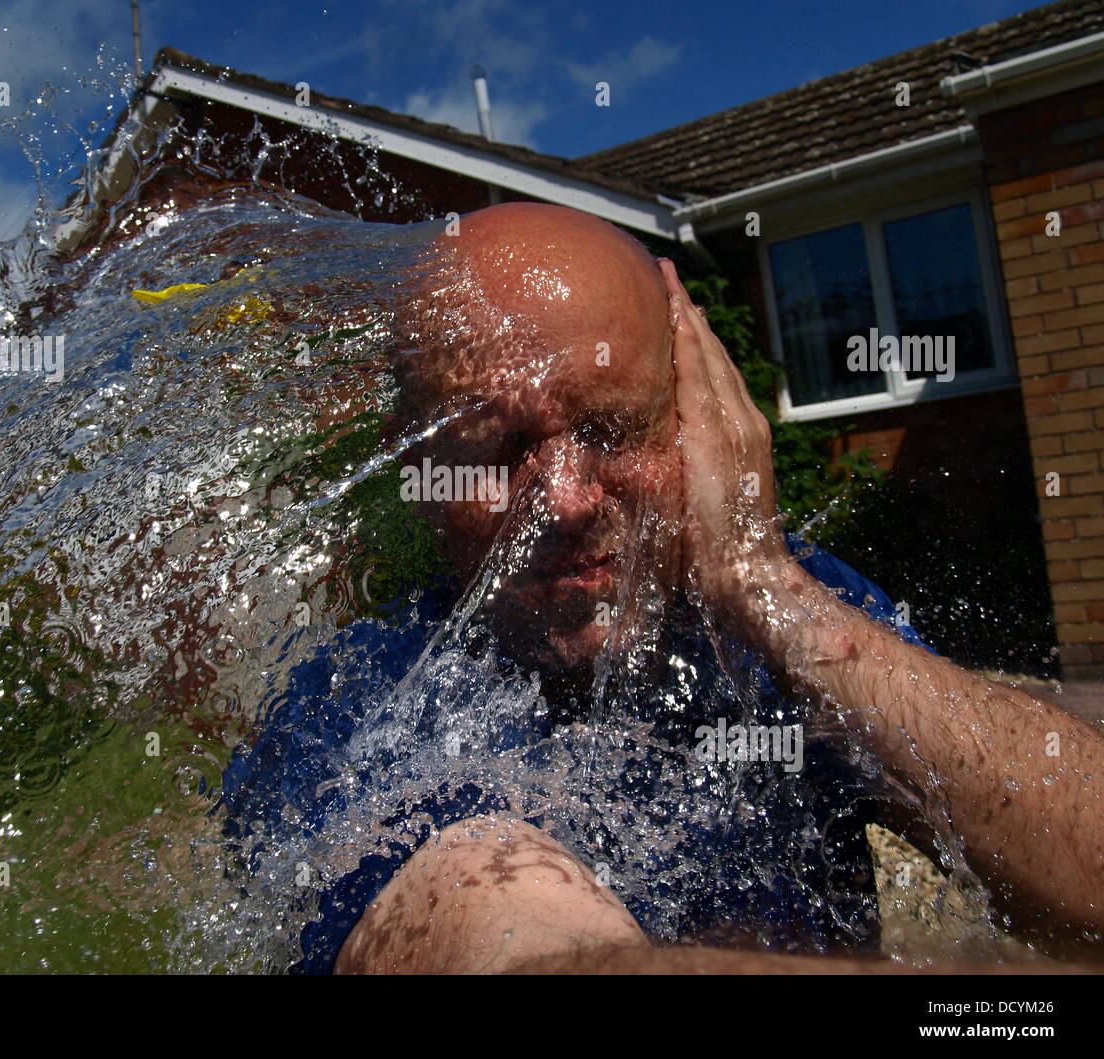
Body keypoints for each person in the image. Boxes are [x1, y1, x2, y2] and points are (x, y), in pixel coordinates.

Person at [223, 202, 1103, 974]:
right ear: (419, 466)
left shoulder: (772, 614)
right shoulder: (355, 709)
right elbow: (509, 946)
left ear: (697, 418)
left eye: (613, 429)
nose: (565, 499)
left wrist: (765, 586)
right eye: (497, 450)